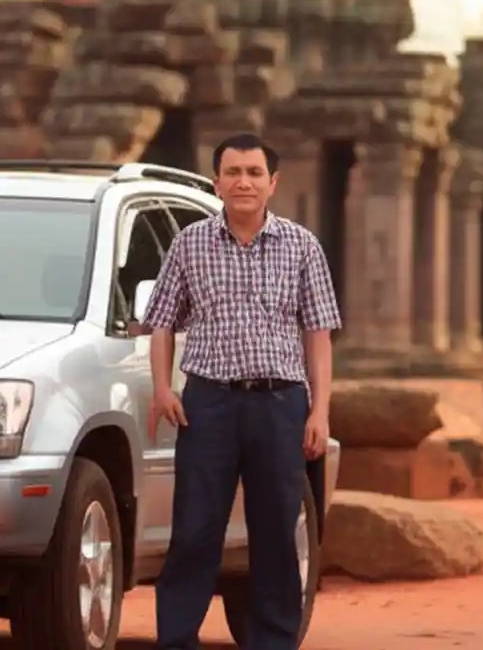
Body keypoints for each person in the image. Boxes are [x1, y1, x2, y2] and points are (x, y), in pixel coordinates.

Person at [141, 132, 342, 650]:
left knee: (276, 531)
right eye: (233, 172)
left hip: (281, 405)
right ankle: (177, 639)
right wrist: (163, 388)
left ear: (273, 183)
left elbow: (317, 335)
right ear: (217, 182)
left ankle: (273, 640)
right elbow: (161, 322)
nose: (243, 182)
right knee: (194, 532)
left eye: (254, 173)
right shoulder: (190, 243)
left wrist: (319, 411)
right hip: (208, 404)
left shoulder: (301, 246)